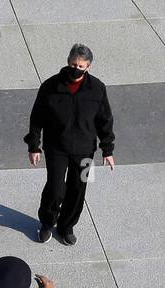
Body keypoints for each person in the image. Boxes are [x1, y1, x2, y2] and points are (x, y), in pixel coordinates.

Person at [25, 43, 115, 246]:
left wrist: (107, 149)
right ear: (68, 62)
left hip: (85, 150)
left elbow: (105, 120)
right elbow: (36, 117)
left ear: (88, 67)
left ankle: (66, 226)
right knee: (55, 188)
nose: (76, 69)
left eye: (81, 66)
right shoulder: (50, 86)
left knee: (78, 188)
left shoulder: (97, 89)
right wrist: (34, 145)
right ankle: (47, 223)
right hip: (56, 148)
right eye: (74, 64)